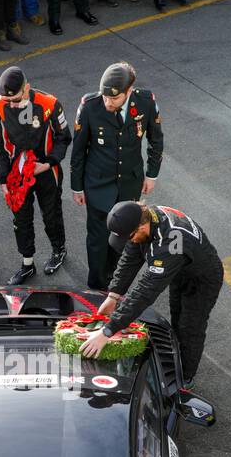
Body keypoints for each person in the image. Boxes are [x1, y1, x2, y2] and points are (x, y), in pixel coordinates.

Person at [80, 199, 223, 387]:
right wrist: (113, 295)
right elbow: (130, 258)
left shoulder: (172, 239)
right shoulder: (142, 219)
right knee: (177, 317)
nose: (129, 241)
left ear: (141, 226)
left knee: (190, 328)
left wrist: (108, 331)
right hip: (180, 272)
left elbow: (145, 291)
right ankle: (178, 357)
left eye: (129, 236)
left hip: (201, 281)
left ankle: (185, 378)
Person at [70, 61, 163, 289]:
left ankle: (114, 282)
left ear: (128, 91)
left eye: (114, 98)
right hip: (98, 185)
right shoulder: (90, 106)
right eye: (105, 97)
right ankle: (96, 286)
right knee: (98, 238)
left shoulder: (145, 102)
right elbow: (79, 150)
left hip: (129, 183)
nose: (108, 103)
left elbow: (156, 139)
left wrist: (151, 174)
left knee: (124, 236)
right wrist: (77, 187)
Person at [0, 64, 70, 283]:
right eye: (8, 101)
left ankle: (58, 250)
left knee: (51, 214)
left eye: (16, 99)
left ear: (27, 88)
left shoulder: (49, 104)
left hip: (46, 170)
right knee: (21, 219)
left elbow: (64, 137)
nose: (12, 105)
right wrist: (3, 178)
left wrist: (48, 163)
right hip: (17, 174)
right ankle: (27, 264)